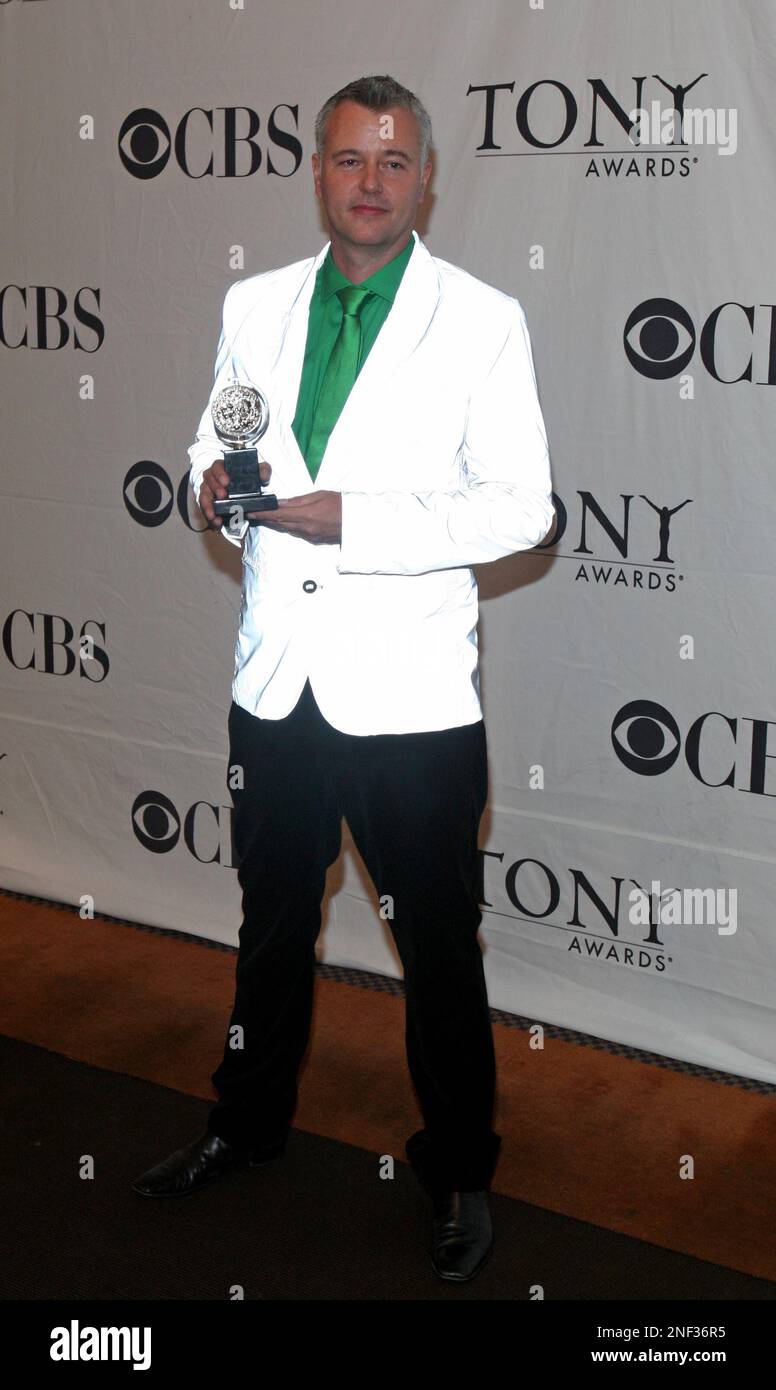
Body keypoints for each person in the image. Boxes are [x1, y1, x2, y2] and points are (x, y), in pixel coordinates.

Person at [132, 74, 554, 1285]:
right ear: (317, 171)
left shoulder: (481, 318)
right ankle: (244, 1124)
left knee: (437, 952)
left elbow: (520, 508)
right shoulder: (252, 301)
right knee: (268, 931)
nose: (367, 181)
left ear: (426, 180)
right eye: (346, 158)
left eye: (392, 160)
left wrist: (346, 519)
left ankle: (458, 1166)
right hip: (275, 690)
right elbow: (221, 434)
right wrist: (212, 479)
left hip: (412, 705)